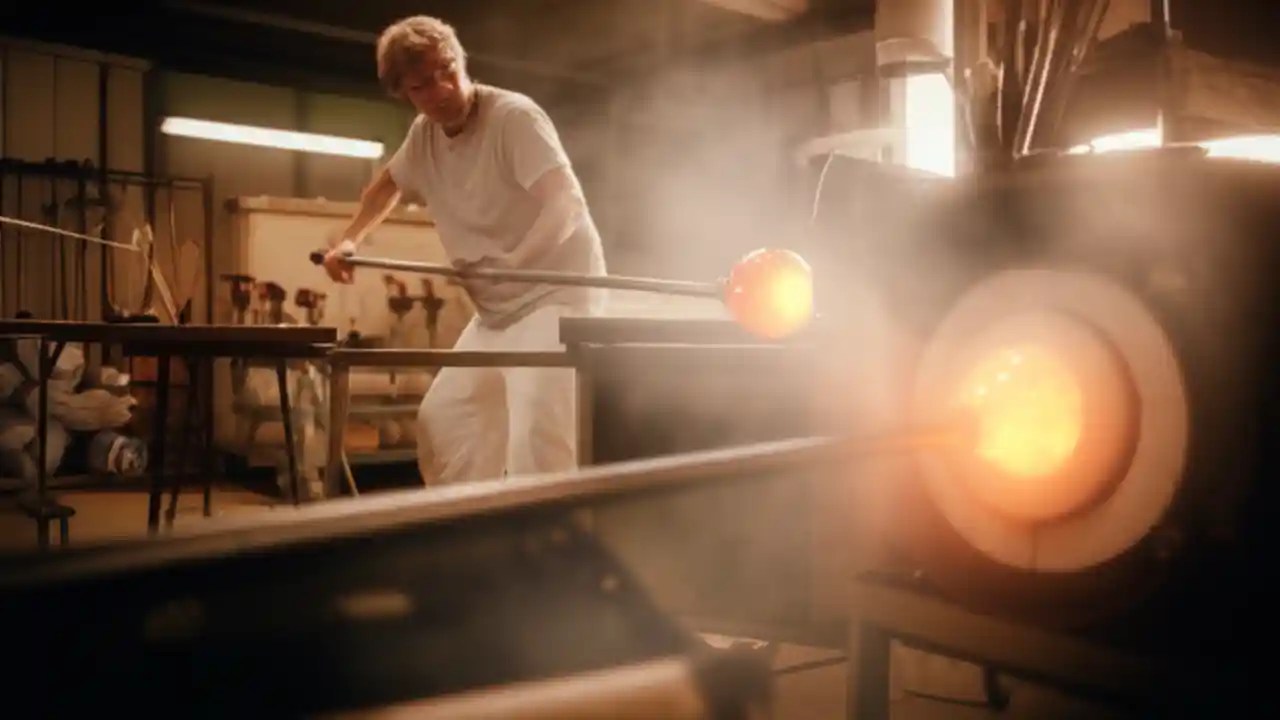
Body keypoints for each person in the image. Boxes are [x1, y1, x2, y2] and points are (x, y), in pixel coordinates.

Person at [321, 14, 607, 486]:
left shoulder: (514, 117)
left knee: (537, 434)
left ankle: (555, 545)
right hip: (496, 314)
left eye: (446, 71)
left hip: (556, 299)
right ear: (404, 93)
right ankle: (473, 534)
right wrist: (351, 238)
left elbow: (566, 202)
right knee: (446, 422)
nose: (441, 90)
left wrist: (516, 262)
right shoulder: (424, 136)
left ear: (461, 61)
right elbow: (385, 187)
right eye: (421, 86)